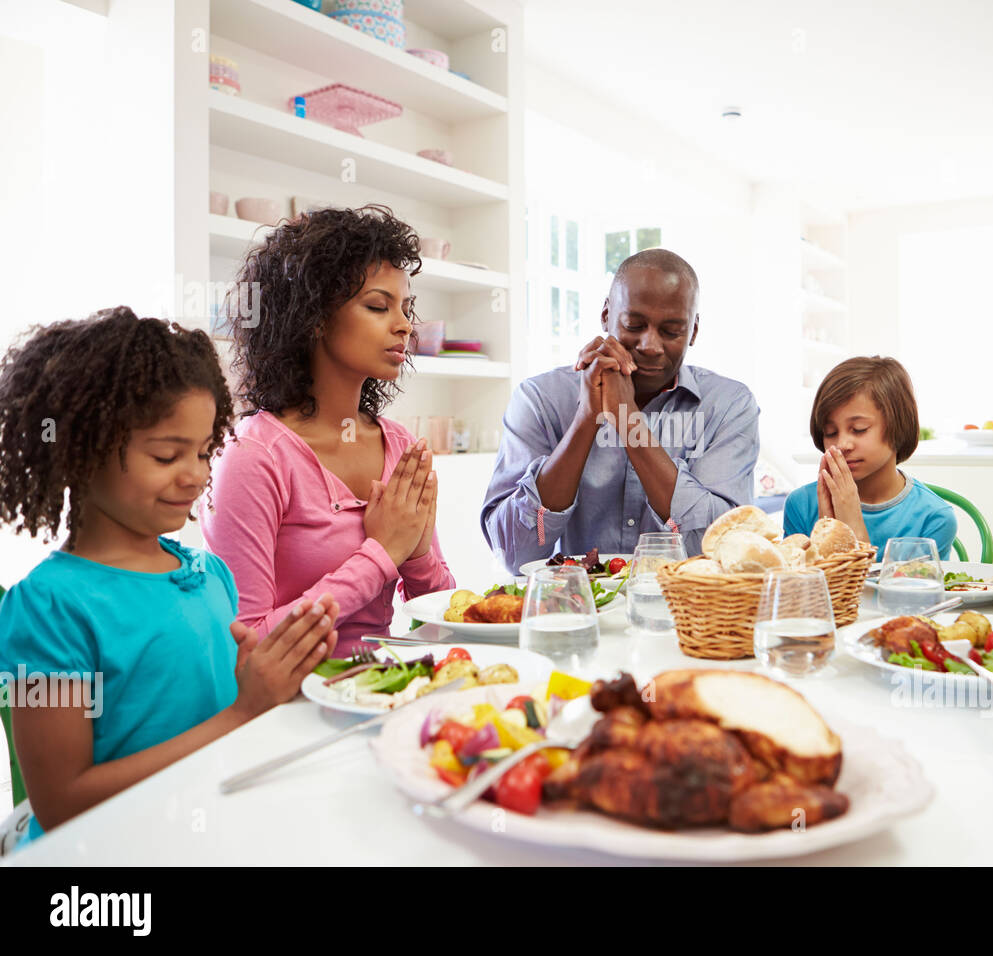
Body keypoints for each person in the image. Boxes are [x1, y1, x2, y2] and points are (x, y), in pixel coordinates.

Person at [0, 307, 339, 843]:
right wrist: (240, 713)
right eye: (166, 455)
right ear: (78, 452)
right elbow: (62, 802)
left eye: (205, 452)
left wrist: (269, 688)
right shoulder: (48, 608)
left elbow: (211, 721)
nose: (196, 475)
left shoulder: (210, 575)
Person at [201, 206, 454, 657]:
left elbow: (443, 620)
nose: (404, 325)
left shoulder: (397, 445)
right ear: (313, 317)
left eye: (406, 308)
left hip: (383, 688)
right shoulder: (253, 456)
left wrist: (417, 557)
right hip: (289, 711)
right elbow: (247, 646)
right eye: (378, 306)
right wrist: (380, 554)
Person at [481, 248, 759, 570]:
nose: (650, 346)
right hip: (574, 613)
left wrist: (627, 421)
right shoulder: (540, 399)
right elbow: (514, 553)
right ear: (605, 315)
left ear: (693, 331)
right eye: (634, 324)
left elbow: (720, 550)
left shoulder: (728, 406)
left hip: (684, 613)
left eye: (671, 332)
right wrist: (586, 418)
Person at [783, 356, 957, 558]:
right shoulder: (801, 504)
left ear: (898, 426)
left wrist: (853, 530)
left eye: (859, 429)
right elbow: (796, 587)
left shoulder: (934, 517)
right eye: (830, 432)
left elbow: (912, 589)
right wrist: (827, 540)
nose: (842, 444)